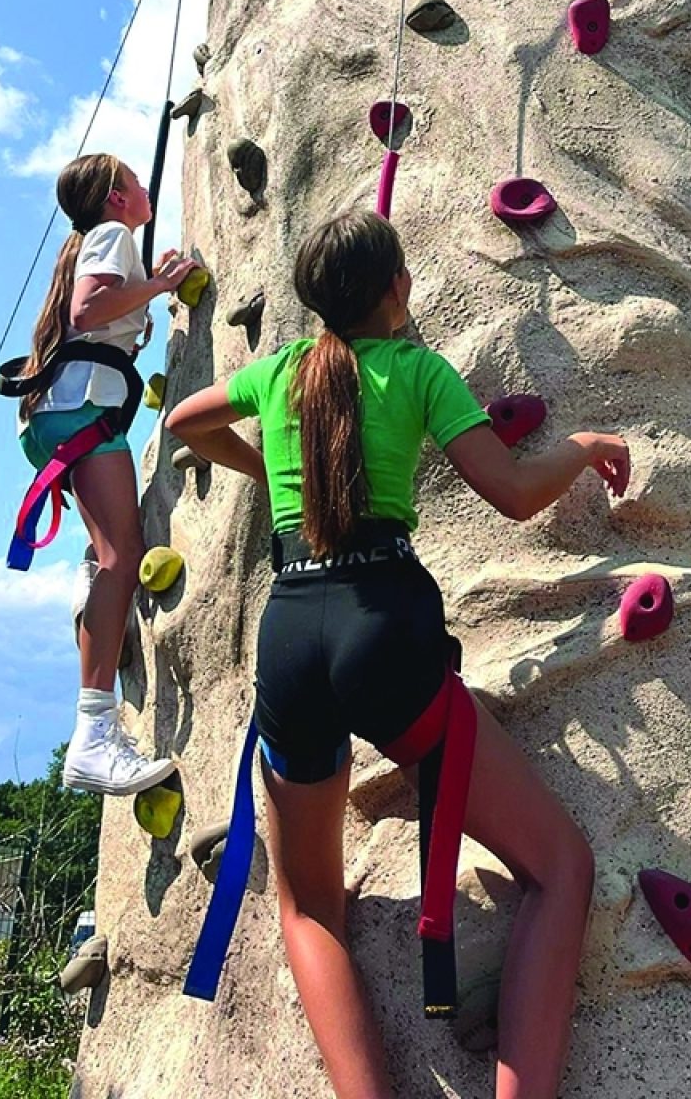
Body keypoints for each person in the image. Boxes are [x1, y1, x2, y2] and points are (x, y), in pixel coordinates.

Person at [167, 208, 629, 1099]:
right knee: (560, 869)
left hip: (292, 633)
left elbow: (187, 419)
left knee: (309, 906)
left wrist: (268, 469)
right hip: (386, 631)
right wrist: (580, 446)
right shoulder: (418, 371)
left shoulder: (285, 374)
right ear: (398, 290)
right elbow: (516, 493)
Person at [17, 153, 197, 795]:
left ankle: (89, 591)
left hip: (67, 412)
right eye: (135, 182)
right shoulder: (113, 235)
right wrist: (161, 284)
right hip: (85, 410)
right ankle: (93, 735)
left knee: (110, 555)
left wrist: (153, 283)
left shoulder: (98, 240)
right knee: (125, 558)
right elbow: (90, 311)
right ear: (118, 198)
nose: (145, 189)